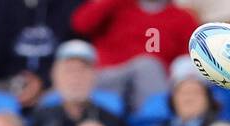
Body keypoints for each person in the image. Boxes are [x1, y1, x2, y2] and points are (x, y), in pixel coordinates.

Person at [69, 0, 199, 113]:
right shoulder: (117, 5)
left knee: (147, 67)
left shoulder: (182, 17)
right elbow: (80, 24)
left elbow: (190, 61)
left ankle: (154, 124)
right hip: (109, 77)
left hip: (152, 82)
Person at [28, 40, 130, 126]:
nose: (76, 77)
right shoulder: (41, 120)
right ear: (55, 75)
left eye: (83, 70)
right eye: (69, 70)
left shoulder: (112, 122)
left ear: (95, 75)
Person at [0, 0, 77, 110]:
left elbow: (74, 51)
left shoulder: (69, 5)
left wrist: (43, 81)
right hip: (6, 85)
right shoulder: (3, 5)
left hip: (53, 87)